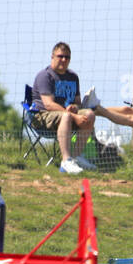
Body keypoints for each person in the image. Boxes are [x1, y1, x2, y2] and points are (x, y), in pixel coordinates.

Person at [32, 42, 99, 174]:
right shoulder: (45, 76)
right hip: (43, 116)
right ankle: (66, 161)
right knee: (66, 116)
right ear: (52, 56)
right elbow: (49, 104)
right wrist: (74, 116)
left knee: (90, 114)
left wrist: (75, 107)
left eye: (67, 57)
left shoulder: (73, 76)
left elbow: (78, 102)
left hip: (67, 114)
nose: (64, 60)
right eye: (60, 56)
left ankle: (77, 157)